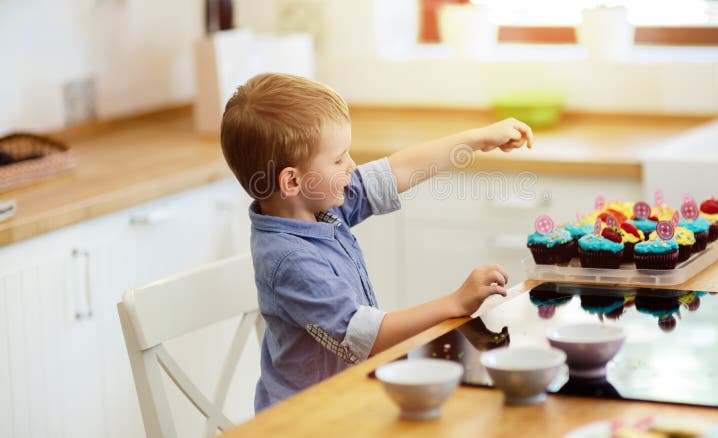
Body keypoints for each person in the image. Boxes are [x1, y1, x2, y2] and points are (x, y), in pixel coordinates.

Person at [219, 72, 534, 411]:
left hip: (350, 400)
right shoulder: (290, 260)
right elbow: (367, 338)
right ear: (293, 181)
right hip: (310, 419)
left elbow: (396, 170)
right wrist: (456, 302)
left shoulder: (313, 207)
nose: (351, 165)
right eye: (339, 159)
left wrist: (477, 139)